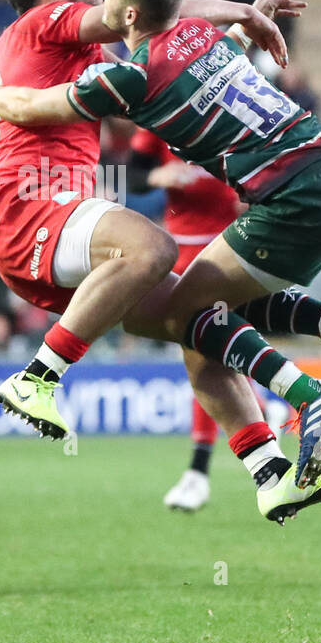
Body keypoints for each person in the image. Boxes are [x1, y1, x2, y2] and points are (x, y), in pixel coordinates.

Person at [0, 0, 321, 519]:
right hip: (30, 207)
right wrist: (240, 12)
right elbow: (58, 85)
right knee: (157, 251)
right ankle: (38, 377)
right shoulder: (44, 23)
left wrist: (240, 12)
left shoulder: (129, 63)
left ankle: (273, 469)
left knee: (191, 323)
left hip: (74, 212)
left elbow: (157, 10)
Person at [128, 127, 244, 512]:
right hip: (178, 254)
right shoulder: (158, 120)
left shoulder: (233, 117)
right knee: (211, 355)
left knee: (204, 355)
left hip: (226, 250)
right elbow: (129, 174)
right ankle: (271, 402)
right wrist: (154, 177)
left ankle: (198, 472)